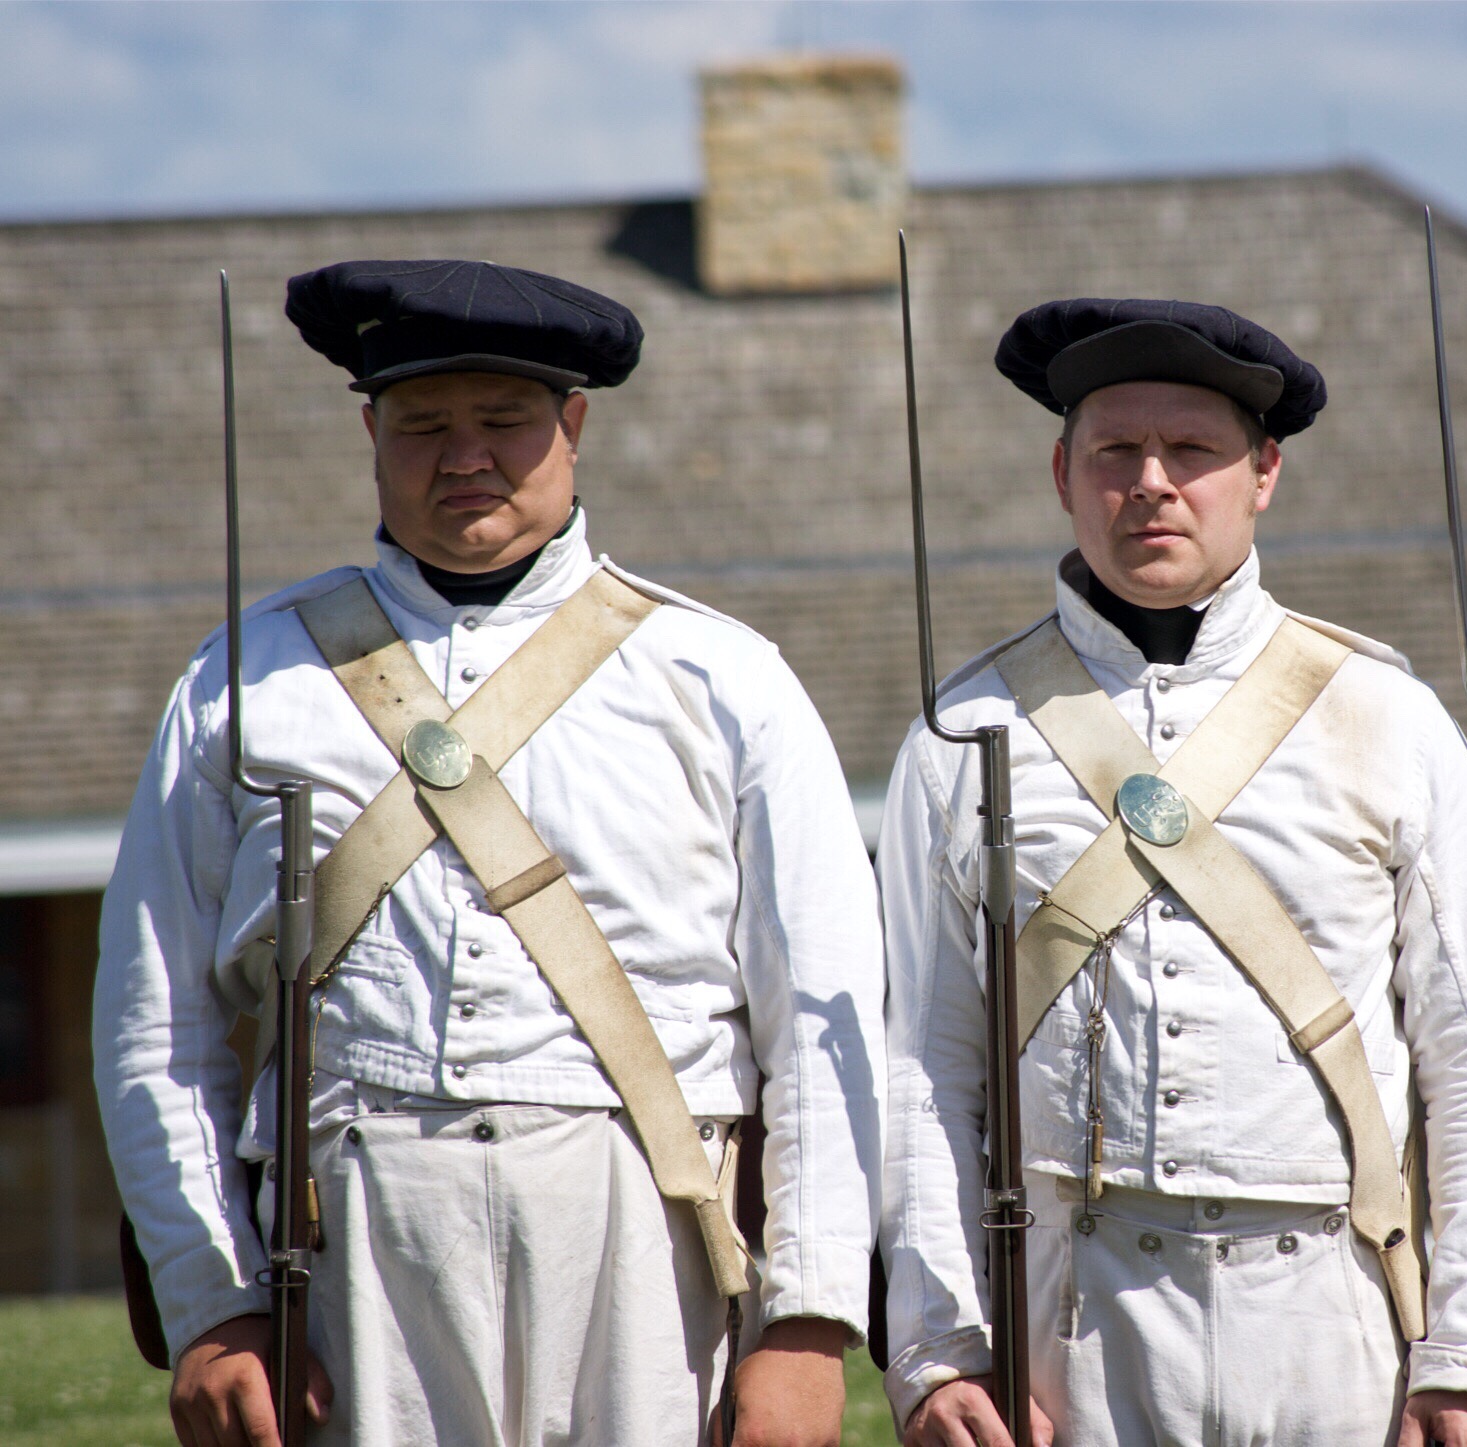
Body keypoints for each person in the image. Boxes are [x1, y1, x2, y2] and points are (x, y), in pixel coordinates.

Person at [93, 259, 883, 1447]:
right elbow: (158, 1024)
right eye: (422, 425)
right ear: (370, 429)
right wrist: (213, 1304)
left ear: (573, 424)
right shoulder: (244, 682)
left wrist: (809, 1322)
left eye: (503, 422)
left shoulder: (723, 680)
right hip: (350, 1228)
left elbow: (824, 1031)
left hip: (642, 1230)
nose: (463, 456)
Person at [879, 299, 1467, 1447]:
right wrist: (939, 1347)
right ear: (1062, 472)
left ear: (1263, 471)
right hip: (1067, 1327)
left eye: (1191, 451)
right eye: (1113, 452)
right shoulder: (962, 731)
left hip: (1333, 1314)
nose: (1150, 482)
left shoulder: (1384, 713)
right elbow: (925, 1067)